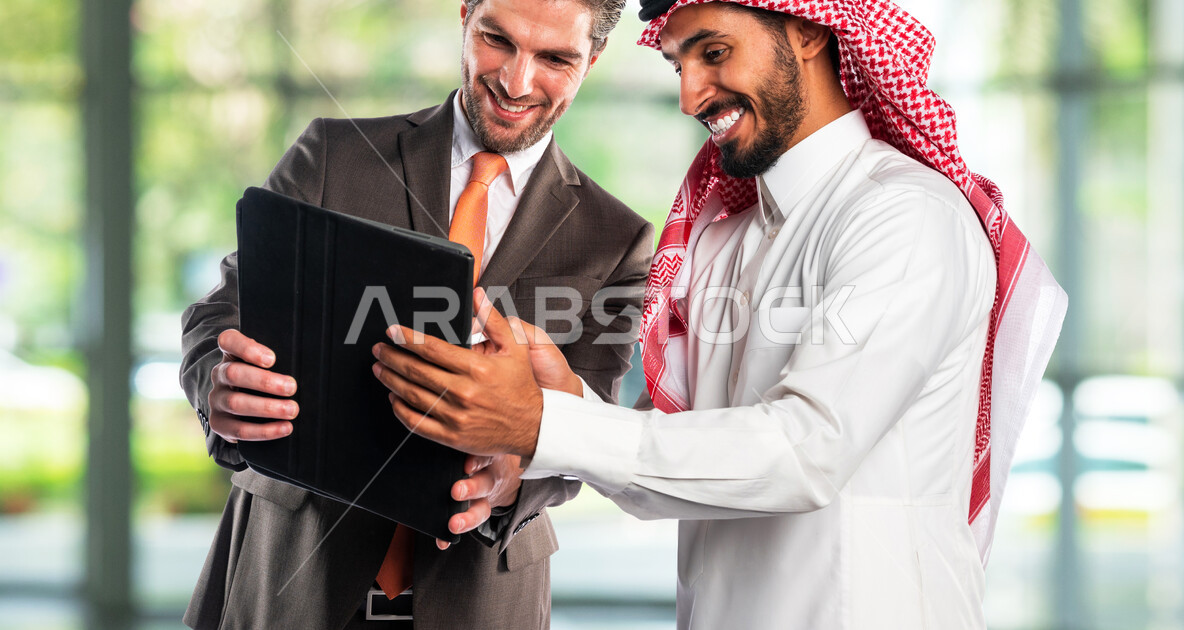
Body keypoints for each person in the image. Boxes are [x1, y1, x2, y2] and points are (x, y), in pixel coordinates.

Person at [371, 0, 1068, 628]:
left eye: (714, 52)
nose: (689, 95)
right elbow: (694, 457)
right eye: (680, 63)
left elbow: (803, 453)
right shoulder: (726, 234)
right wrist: (564, 400)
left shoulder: (903, 214)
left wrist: (544, 423)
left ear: (804, 32)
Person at [177, 0, 653, 627]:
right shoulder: (333, 154)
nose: (516, 82)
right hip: (289, 576)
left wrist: (511, 477)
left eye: (555, 58)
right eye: (497, 40)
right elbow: (222, 312)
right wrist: (220, 380)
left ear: (593, 58)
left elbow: (589, 424)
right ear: (464, 16)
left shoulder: (615, 239)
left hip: (478, 596)